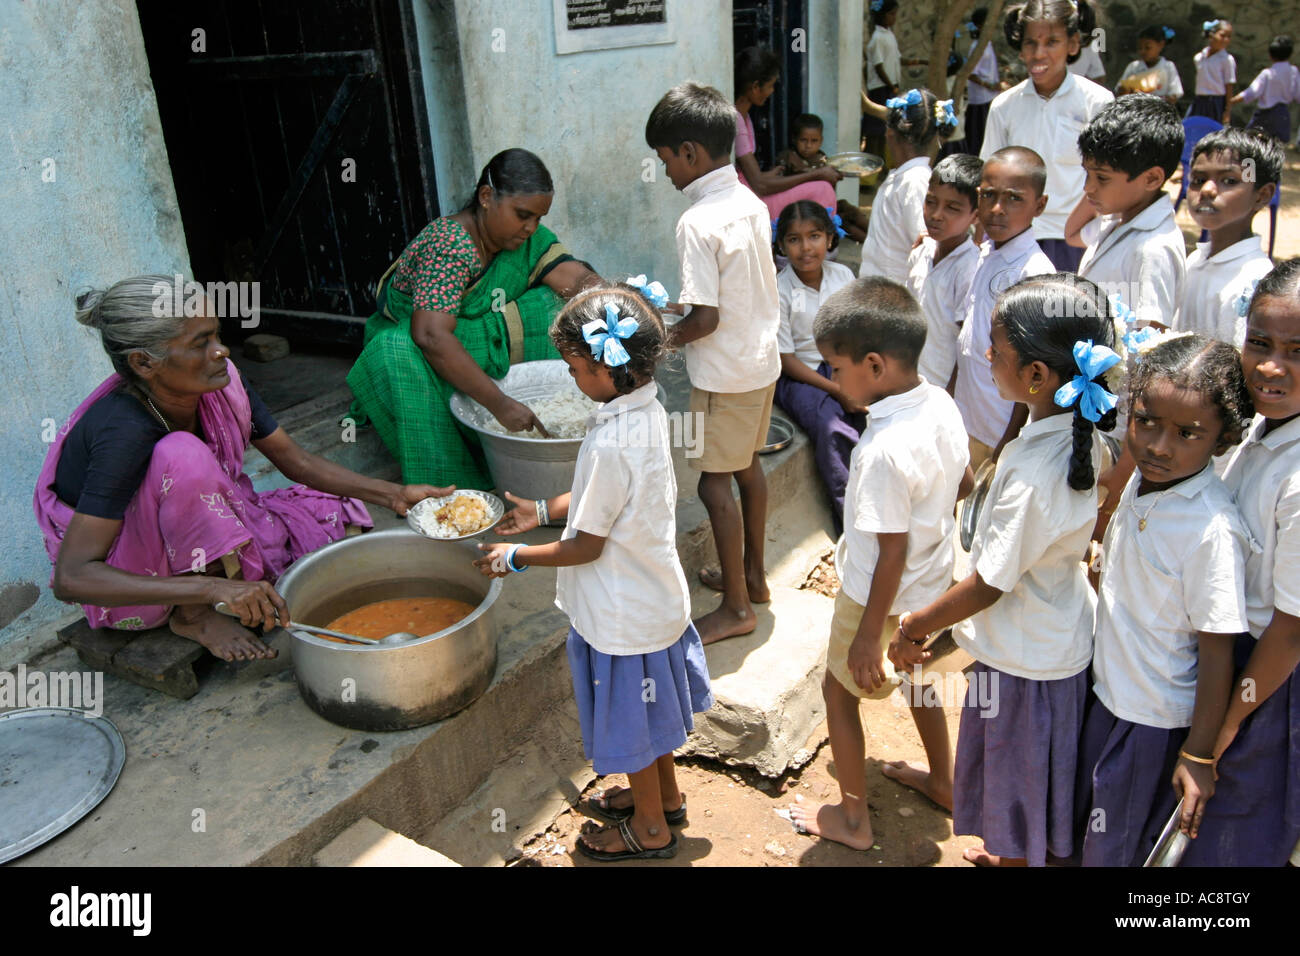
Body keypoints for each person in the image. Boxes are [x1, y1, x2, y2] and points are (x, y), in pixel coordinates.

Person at [34, 276, 449, 662]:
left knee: (333, 511)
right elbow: (72, 578)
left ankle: (217, 578)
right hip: (128, 572)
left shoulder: (223, 382)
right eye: (201, 343)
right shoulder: (120, 431)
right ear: (144, 363)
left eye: (216, 334)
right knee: (183, 455)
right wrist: (211, 588)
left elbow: (295, 461)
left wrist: (394, 495)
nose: (222, 350)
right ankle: (191, 615)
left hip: (180, 530)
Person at [475, 283, 712, 862]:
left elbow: (584, 546)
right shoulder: (648, 410)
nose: (573, 379)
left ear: (609, 369)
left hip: (621, 614)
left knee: (631, 725)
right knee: (651, 717)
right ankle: (666, 800)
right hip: (652, 598)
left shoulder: (611, 439)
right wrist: (539, 510)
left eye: (576, 368)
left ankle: (652, 828)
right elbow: (601, 498)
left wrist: (517, 556)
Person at [894, 274, 1120, 867]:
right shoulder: (1072, 436)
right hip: (1048, 644)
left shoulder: (1035, 472)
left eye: (996, 351)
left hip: (1025, 666)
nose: (987, 358)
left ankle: (1017, 859)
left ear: (1038, 377)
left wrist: (915, 625)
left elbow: (989, 584)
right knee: (1025, 774)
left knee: (1017, 778)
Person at [786, 278, 971, 848]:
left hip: (876, 598)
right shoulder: (940, 401)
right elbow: (962, 482)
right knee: (917, 680)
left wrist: (868, 636)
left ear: (873, 364)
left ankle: (853, 820)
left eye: (836, 369)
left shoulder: (884, 449)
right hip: (930, 589)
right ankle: (944, 780)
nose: (832, 380)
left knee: (839, 692)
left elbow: (890, 550)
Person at [1076, 333, 1252, 866]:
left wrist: (1199, 753)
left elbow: (1218, 649)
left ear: (1222, 441)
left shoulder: (1211, 530)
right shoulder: (1148, 477)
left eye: (1187, 433)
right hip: (1107, 690)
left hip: (1151, 718)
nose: (1157, 444)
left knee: (1115, 843)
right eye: (1146, 420)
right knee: (1087, 816)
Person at [346, 148, 600, 489]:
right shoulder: (450, 244)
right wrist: (501, 404)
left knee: (557, 304)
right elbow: (431, 335)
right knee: (397, 349)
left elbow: (574, 278)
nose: (531, 228)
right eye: (522, 215)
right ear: (485, 197)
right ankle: (451, 482)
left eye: (538, 218)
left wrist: (617, 299)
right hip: (427, 345)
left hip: (476, 337)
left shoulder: (527, 241)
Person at [646, 83, 781, 645]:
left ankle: (735, 608)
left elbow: (705, 323)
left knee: (712, 485)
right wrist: (678, 310)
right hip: (760, 363)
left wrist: (655, 344)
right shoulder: (749, 201)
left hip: (724, 374)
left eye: (666, 160)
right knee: (748, 466)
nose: (667, 173)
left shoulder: (696, 222)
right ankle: (750, 576)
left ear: (690, 153)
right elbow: (733, 294)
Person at [1181, 259, 1300, 867]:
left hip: (1266, 680)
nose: (1272, 366)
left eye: (1297, 351)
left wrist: (1226, 726)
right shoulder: (1260, 425)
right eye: (1260, 343)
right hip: (1232, 661)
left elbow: (1291, 626)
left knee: (1232, 832)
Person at [981, 0, 1113, 271]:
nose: (1039, 53)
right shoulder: (1005, 106)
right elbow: (987, 176)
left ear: (1073, 44)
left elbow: (1108, 176)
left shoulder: (1097, 102)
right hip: (1014, 239)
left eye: (1052, 42)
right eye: (1030, 43)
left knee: (1070, 311)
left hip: (1075, 239)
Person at [952, 147, 1054, 471]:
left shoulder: (1033, 274)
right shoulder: (987, 252)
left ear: (1039, 205)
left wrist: (1007, 443)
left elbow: (1032, 374)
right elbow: (969, 337)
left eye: (1013, 198)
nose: (996, 209)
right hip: (967, 417)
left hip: (998, 432)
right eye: (988, 195)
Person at [771, 201, 861, 531]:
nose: (806, 247)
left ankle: (884, 509)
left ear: (830, 238)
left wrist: (852, 380)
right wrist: (837, 389)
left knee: (871, 416)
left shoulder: (844, 276)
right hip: (801, 376)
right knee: (831, 427)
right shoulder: (779, 289)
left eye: (814, 236)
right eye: (794, 239)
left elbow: (857, 332)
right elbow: (786, 359)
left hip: (842, 365)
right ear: (781, 246)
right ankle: (851, 525)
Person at [1069, 94, 1186, 330]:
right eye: (1087, 173)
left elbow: (1150, 343)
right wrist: (1098, 186)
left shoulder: (1153, 249)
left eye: (1102, 177)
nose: (1087, 187)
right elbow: (1072, 234)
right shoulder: (1116, 219)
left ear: (1152, 178)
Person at [1174, 127, 1281, 348]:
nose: (1207, 190)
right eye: (1198, 179)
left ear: (1262, 195)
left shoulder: (1254, 281)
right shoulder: (1195, 260)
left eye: (1229, 181)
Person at [858, 88, 959, 284]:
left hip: (893, 297)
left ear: (889, 133)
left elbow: (925, 249)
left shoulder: (916, 181)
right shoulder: (903, 176)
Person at [732, 47, 841, 220]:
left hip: (751, 190)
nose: (772, 91)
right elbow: (760, 185)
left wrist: (774, 174)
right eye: (770, 86)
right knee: (823, 189)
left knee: (818, 183)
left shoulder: (744, 115)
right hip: (750, 201)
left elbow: (756, 178)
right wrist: (816, 173)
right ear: (755, 88)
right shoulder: (736, 119)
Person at [905, 154, 982, 390]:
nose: (936, 214)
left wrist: (950, 395)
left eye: (952, 208)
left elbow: (966, 347)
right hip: (909, 377)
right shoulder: (922, 251)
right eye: (930, 201)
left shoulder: (970, 269)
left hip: (941, 387)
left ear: (976, 215)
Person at [773, 114, 869, 241]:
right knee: (841, 221)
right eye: (803, 140)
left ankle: (877, 237)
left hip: (823, 205)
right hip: (802, 209)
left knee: (848, 209)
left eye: (814, 141)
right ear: (794, 139)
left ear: (821, 141)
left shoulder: (822, 159)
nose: (808, 146)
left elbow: (829, 190)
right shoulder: (787, 158)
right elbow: (781, 186)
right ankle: (869, 243)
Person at [1231, 34, 1300, 142]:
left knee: (1250, 140)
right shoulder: (1294, 72)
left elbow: (1252, 92)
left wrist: (1232, 100)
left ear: (1271, 55)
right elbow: (1298, 94)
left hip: (1265, 115)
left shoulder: (1267, 74)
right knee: (1278, 146)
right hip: (1283, 114)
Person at [863, 0, 902, 159]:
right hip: (881, 87)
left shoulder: (889, 34)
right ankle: (873, 162)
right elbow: (879, 66)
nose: (894, 18)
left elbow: (895, 59)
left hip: (889, 86)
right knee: (876, 127)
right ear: (883, 16)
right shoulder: (877, 38)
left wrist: (918, 62)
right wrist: (891, 86)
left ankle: (883, 161)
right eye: (891, 14)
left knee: (887, 125)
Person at [963, 9, 1001, 156]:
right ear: (980, 25)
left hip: (990, 96)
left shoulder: (987, 43)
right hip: (980, 99)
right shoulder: (976, 47)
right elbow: (971, 74)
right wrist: (990, 85)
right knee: (978, 139)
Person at [1115, 25, 1184, 106]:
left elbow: (1174, 94)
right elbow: (1120, 91)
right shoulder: (1133, 67)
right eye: (1140, 48)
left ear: (1161, 45)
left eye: (1147, 47)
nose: (1142, 51)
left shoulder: (1168, 67)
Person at [1189, 19, 1236, 125]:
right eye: (1222, 35)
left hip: (1216, 102)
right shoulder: (1199, 57)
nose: (1226, 40)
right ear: (1211, 35)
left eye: (1229, 37)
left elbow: (1229, 85)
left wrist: (1227, 111)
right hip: (1200, 100)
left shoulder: (1227, 60)